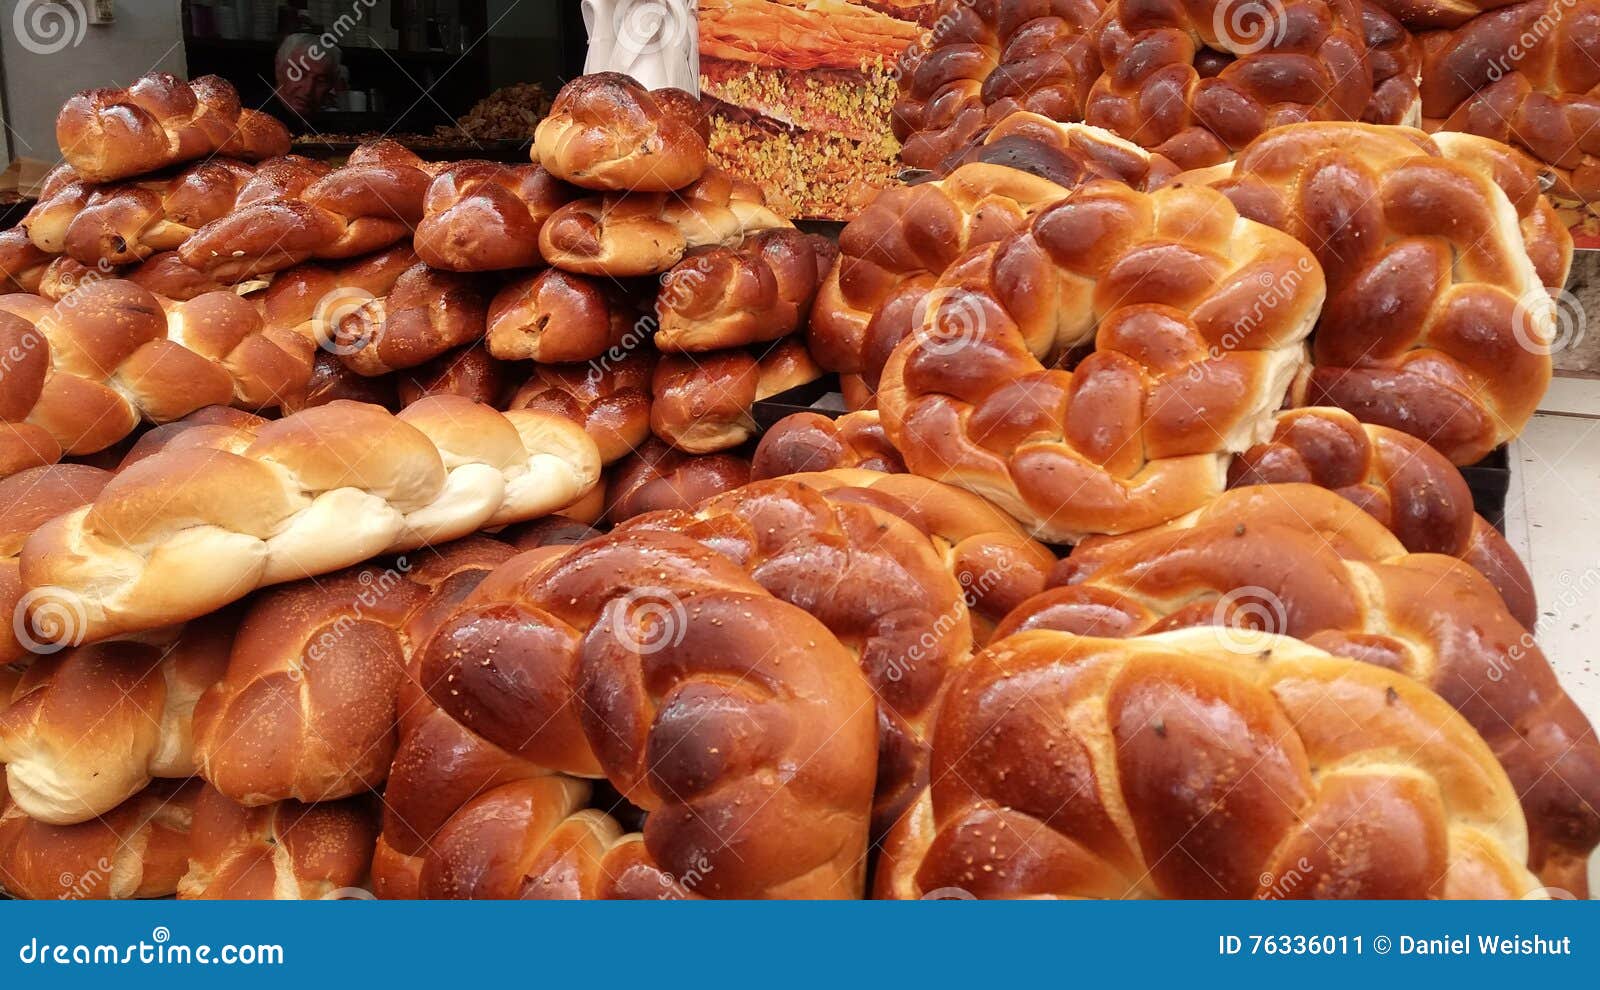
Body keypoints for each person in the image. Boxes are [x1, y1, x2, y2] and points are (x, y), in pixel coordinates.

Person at [271, 32, 342, 119]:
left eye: (320, 81)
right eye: (299, 74)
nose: (308, 90)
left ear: (332, 84)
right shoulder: (259, 118)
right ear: (279, 67)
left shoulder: (325, 121)